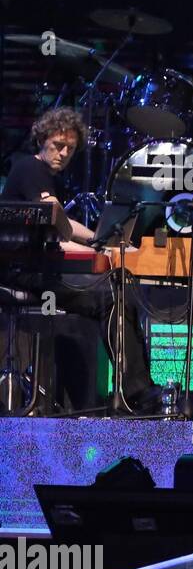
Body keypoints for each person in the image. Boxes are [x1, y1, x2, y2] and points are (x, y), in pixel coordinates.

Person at [0, 107, 161, 412]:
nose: (63, 154)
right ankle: (136, 393)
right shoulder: (30, 169)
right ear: (42, 140)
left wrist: (100, 241)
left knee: (118, 289)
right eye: (57, 145)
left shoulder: (46, 176)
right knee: (110, 296)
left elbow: (64, 223)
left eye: (70, 149)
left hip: (37, 267)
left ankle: (138, 389)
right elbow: (56, 224)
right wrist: (101, 251)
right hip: (21, 270)